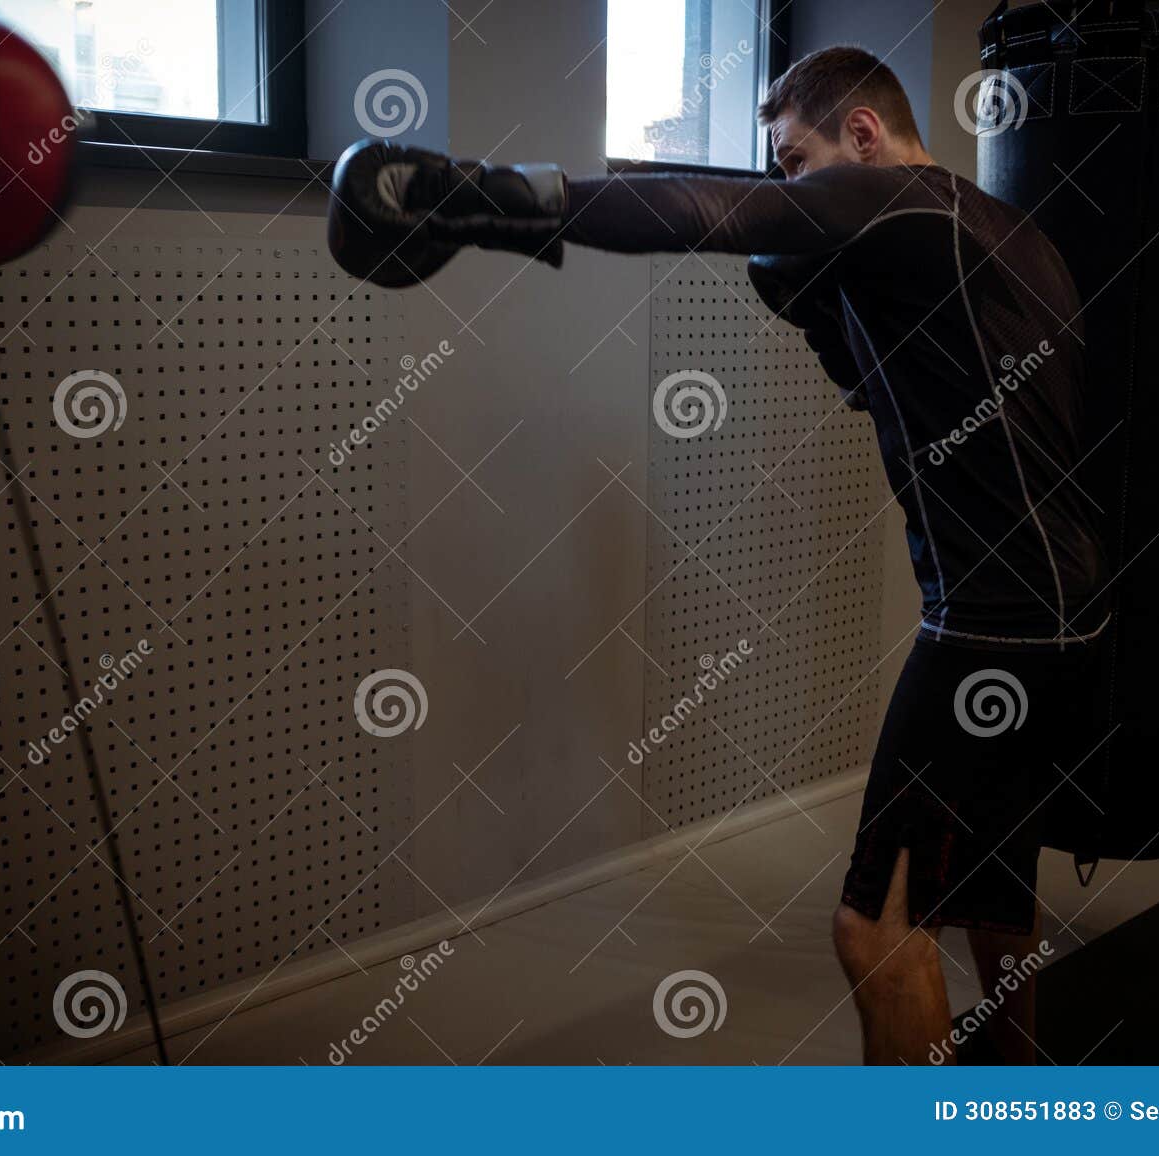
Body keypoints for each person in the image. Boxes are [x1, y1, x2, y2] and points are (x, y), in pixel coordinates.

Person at [328, 45, 1109, 1065]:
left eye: (793, 160)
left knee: (873, 926)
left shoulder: (902, 207)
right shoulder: (1004, 232)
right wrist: (832, 316)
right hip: (1071, 624)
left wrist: (489, 199)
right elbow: (911, 394)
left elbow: (709, 215)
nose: (789, 187)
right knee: (993, 888)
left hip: (985, 626)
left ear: (862, 137)